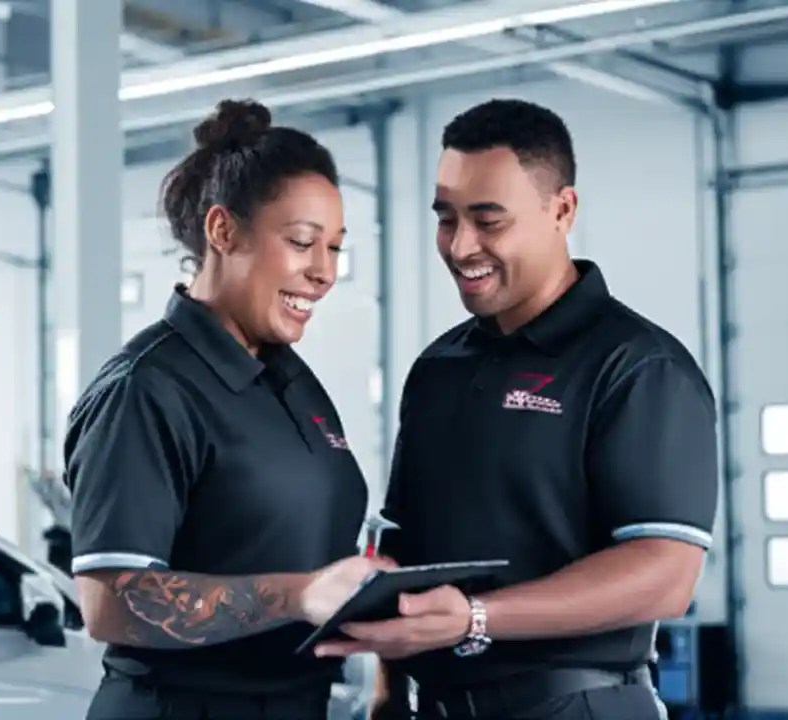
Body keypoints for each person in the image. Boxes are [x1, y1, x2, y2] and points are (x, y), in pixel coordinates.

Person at [315, 98, 719, 719]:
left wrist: (476, 619)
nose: (460, 246)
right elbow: (404, 548)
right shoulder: (437, 368)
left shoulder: (637, 366)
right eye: (445, 219)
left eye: (488, 220)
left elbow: (666, 575)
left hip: (577, 705)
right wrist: (388, 691)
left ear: (562, 210)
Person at [63, 99, 390, 720]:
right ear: (223, 231)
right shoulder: (146, 388)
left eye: (335, 249)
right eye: (301, 243)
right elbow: (110, 604)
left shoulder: (294, 381)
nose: (323, 272)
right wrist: (302, 596)